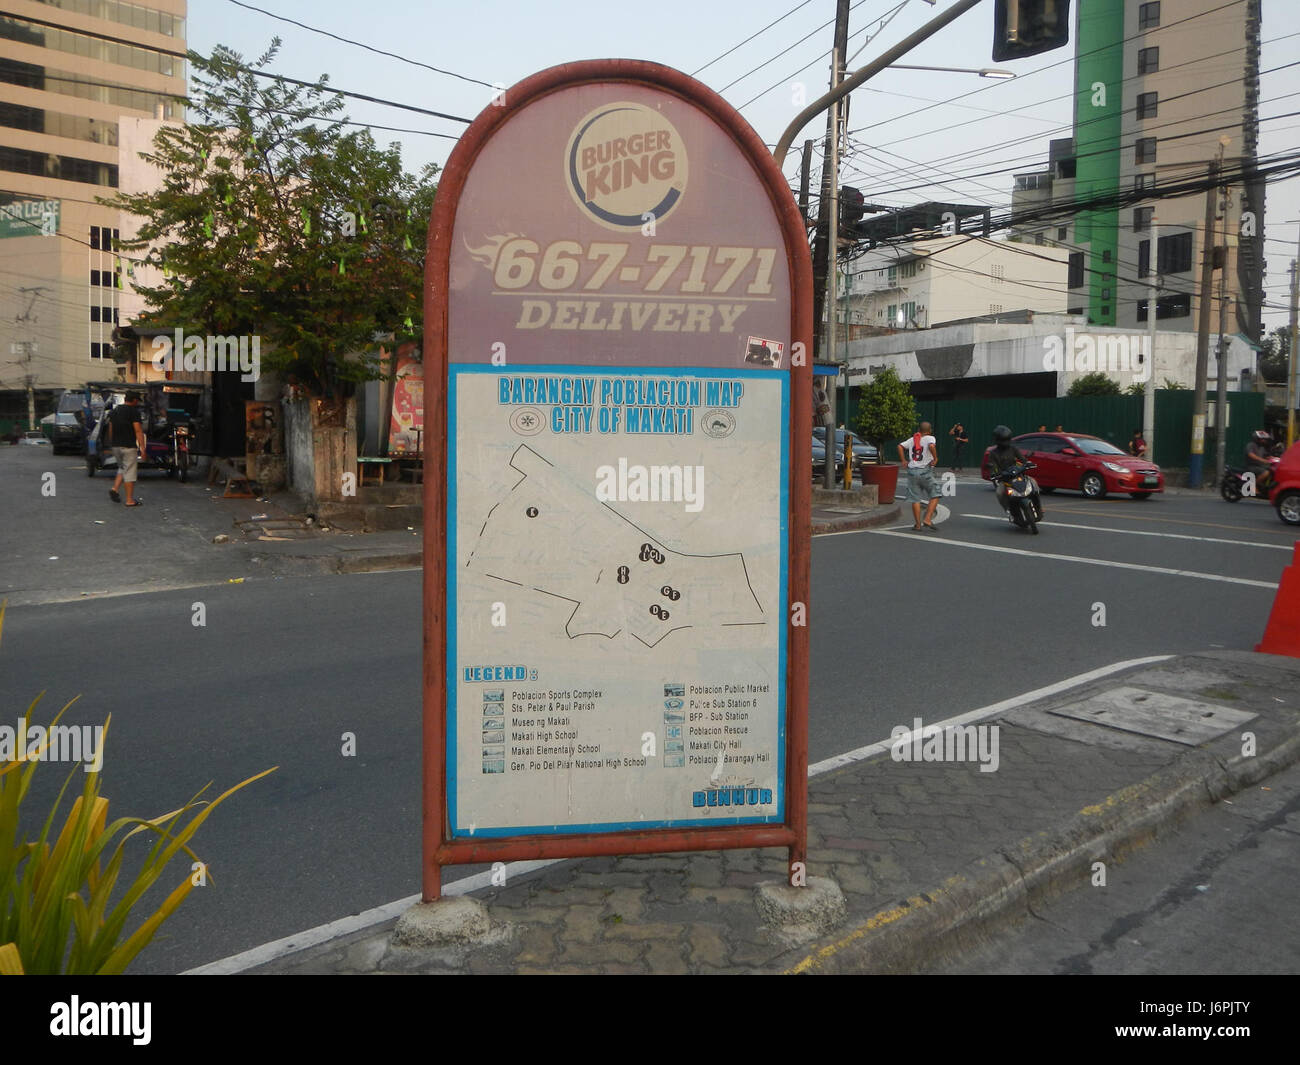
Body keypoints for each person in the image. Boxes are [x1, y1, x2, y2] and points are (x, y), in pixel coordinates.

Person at [899, 421, 941, 531]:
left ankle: (918, 525)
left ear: (919, 429)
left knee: (915, 499)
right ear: (929, 430)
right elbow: (931, 446)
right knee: (935, 494)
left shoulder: (912, 439)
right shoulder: (930, 438)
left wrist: (903, 460)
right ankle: (927, 518)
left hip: (912, 471)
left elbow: (899, 446)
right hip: (925, 471)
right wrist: (935, 458)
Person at [107, 391, 147, 506]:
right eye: (137, 400)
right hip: (128, 446)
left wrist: (112, 443)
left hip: (116, 446)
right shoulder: (134, 412)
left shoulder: (114, 411)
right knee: (129, 472)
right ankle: (129, 500)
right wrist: (143, 449)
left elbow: (110, 429)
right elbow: (138, 431)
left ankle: (115, 488)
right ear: (134, 400)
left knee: (123, 467)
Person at [988, 425, 1031, 513]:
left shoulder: (1013, 449)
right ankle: (1008, 510)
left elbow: (1022, 459)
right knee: (999, 493)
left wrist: (1027, 463)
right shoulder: (993, 453)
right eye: (1003, 439)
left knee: (1033, 483)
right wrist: (994, 474)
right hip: (1004, 479)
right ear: (998, 440)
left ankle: (1038, 506)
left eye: (1007, 439)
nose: (1006, 442)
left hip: (1017, 475)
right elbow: (993, 466)